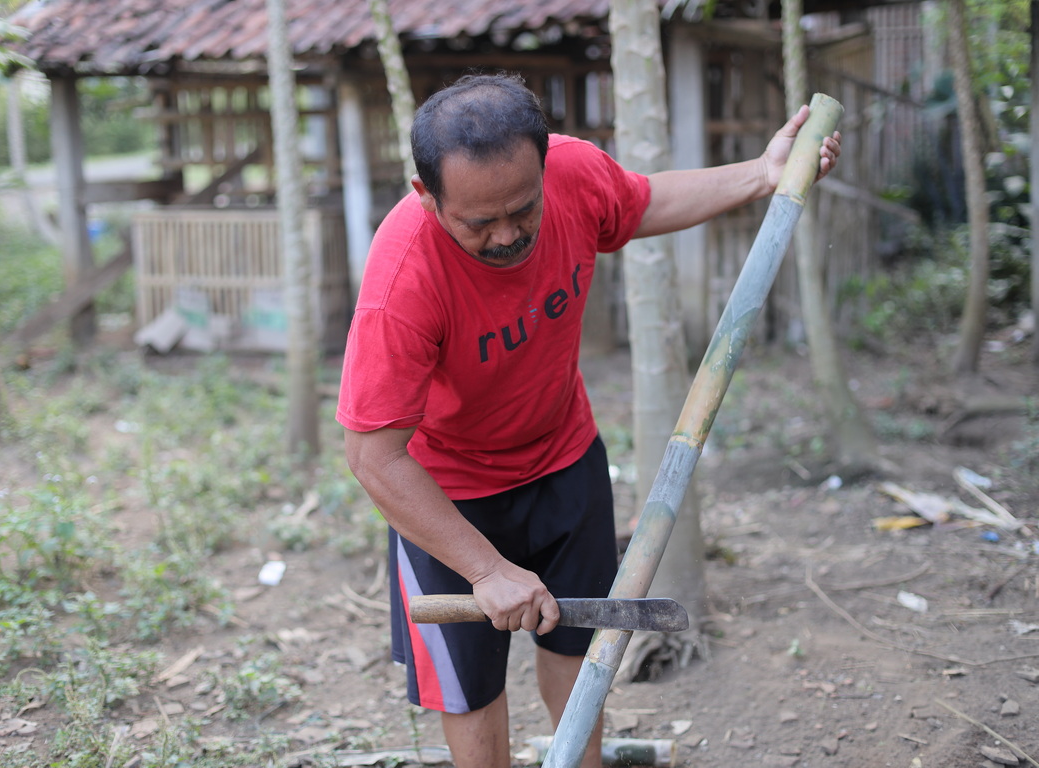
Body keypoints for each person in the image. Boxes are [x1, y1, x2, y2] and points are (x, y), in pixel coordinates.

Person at [337, 72, 840, 768]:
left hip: (564, 459)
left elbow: (641, 202)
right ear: (427, 196)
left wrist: (760, 174)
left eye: (522, 210)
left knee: (581, 647)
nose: (508, 235)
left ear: (545, 168)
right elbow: (374, 456)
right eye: (479, 223)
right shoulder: (403, 282)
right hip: (448, 491)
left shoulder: (573, 175)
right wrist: (485, 569)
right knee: (471, 687)